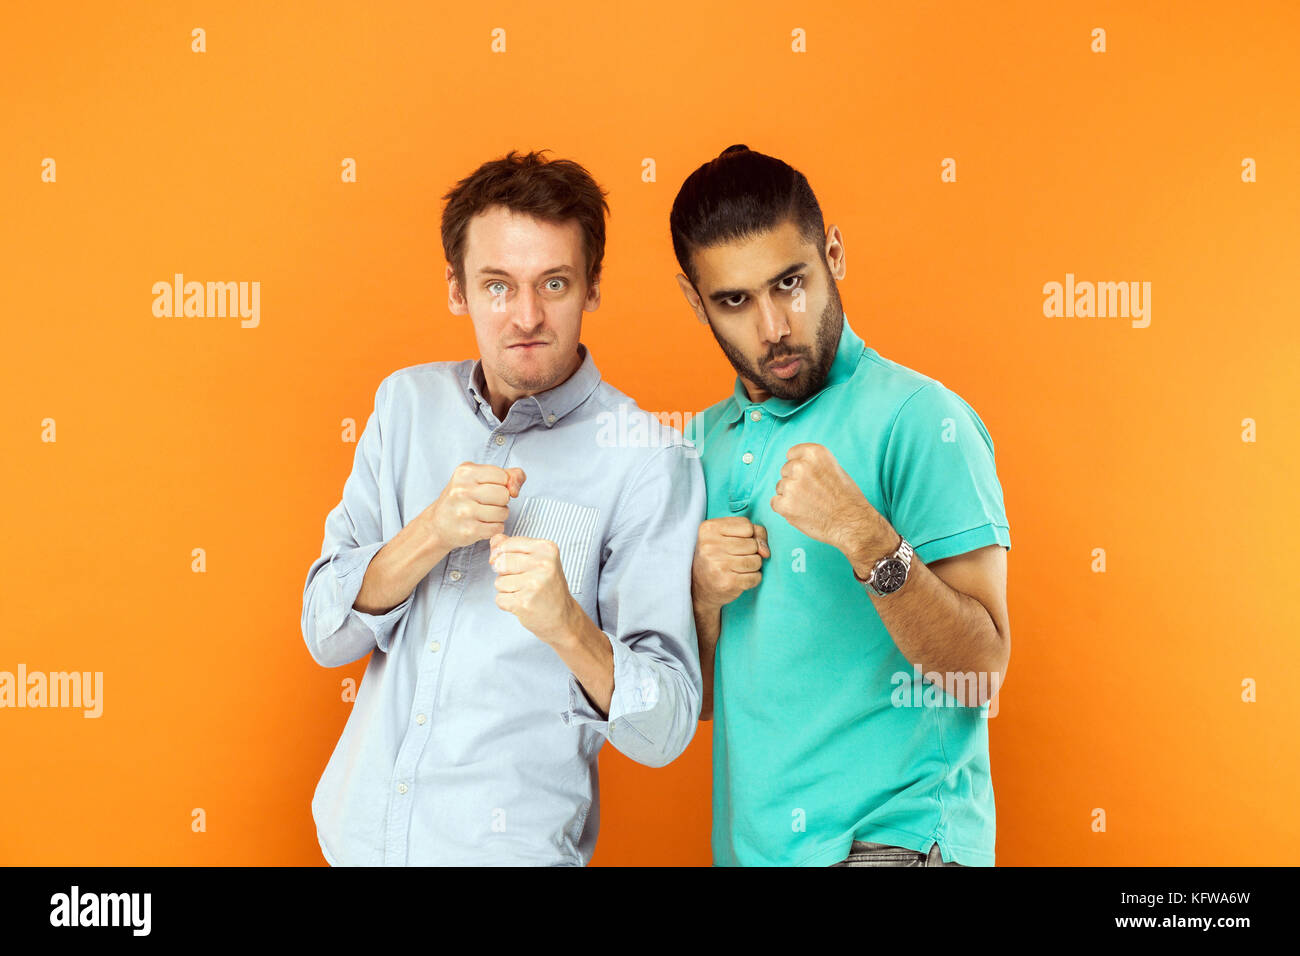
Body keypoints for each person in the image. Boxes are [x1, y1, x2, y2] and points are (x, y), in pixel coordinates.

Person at [300, 149, 704, 865]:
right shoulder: (405, 406)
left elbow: (666, 728)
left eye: (554, 282)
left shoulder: (646, 459)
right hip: (354, 842)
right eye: (497, 285)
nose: (526, 316)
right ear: (457, 289)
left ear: (593, 288)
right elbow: (326, 634)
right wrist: (428, 532)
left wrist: (569, 629)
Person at [673, 145, 1012, 867]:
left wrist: (867, 541)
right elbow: (700, 702)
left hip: (892, 845)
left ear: (833, 254)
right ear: (694, 300)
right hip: (753, 851)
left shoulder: (923, 419)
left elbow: (980, 672)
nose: (772, 326)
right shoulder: (698, 445)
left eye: (790, 283)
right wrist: (702, 599)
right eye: (734, 300)